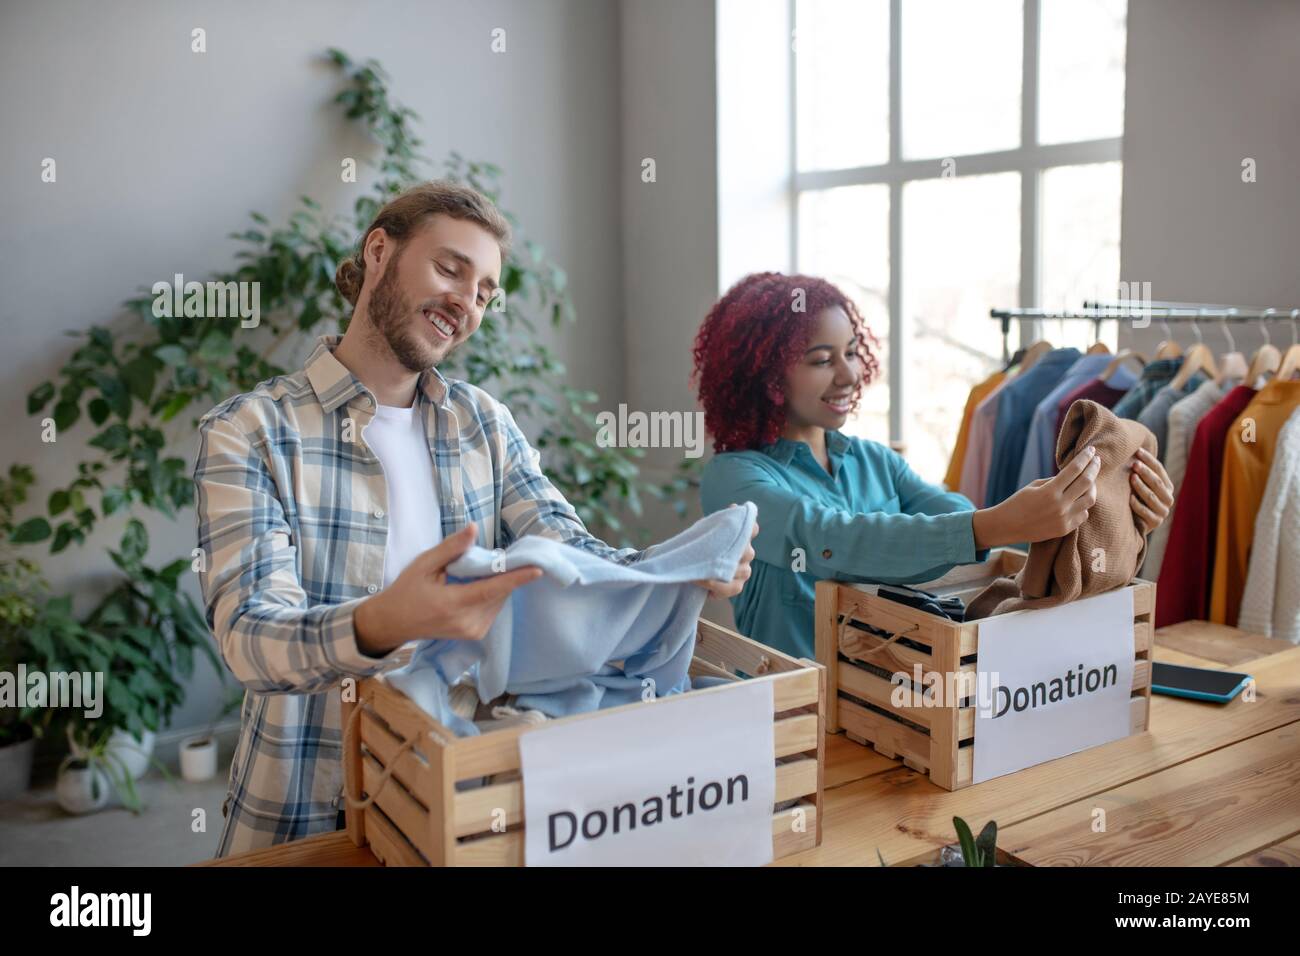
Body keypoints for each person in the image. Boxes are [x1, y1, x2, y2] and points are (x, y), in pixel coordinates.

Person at [193, 181, 755, 856]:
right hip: (308, 800)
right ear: (379, 252)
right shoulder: (248, 431)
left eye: (485, 291)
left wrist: (679, 570)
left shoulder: (483, 422)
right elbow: (251, 635)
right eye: (450, 269)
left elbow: (564, 544)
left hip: (457, 788)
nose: (466, 302)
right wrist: (387, 620)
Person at [693, 272, 1173, 659]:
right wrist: (995, 524)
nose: (848, 374)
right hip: (798, 721)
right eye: (822, 359)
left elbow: (961, 516)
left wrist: (1108, 512)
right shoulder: (734, 478)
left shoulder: (874, 461)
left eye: (852, 353)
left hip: (899, 712)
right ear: (765, 375)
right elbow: (830, 538)